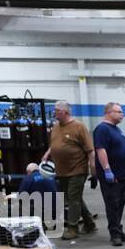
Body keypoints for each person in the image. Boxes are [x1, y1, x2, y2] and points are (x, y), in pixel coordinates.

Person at [40, 100, 96, 241]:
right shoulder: (56, 127)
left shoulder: (79, 127)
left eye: (56, 110)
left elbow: (90, 150)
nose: (54, 112)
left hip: (77, 169)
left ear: (64, 112)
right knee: (74, 198)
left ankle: (72, 228)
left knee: (73, 199)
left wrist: (93, 170)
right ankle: (89, 223)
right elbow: (54, 144)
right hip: (61, 170)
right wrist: (47, 154)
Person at [93, 101, 125, 246]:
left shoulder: (116, 129)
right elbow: (101, 150)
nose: (122, 114)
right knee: (112, 204)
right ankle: (114, 234)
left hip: (121, 175)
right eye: (118, 111)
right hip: (111, 175)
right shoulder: (102, 129)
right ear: (108, 113)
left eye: (122, 112)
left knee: (120, 203)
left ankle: (118, 229)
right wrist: (107, 169)